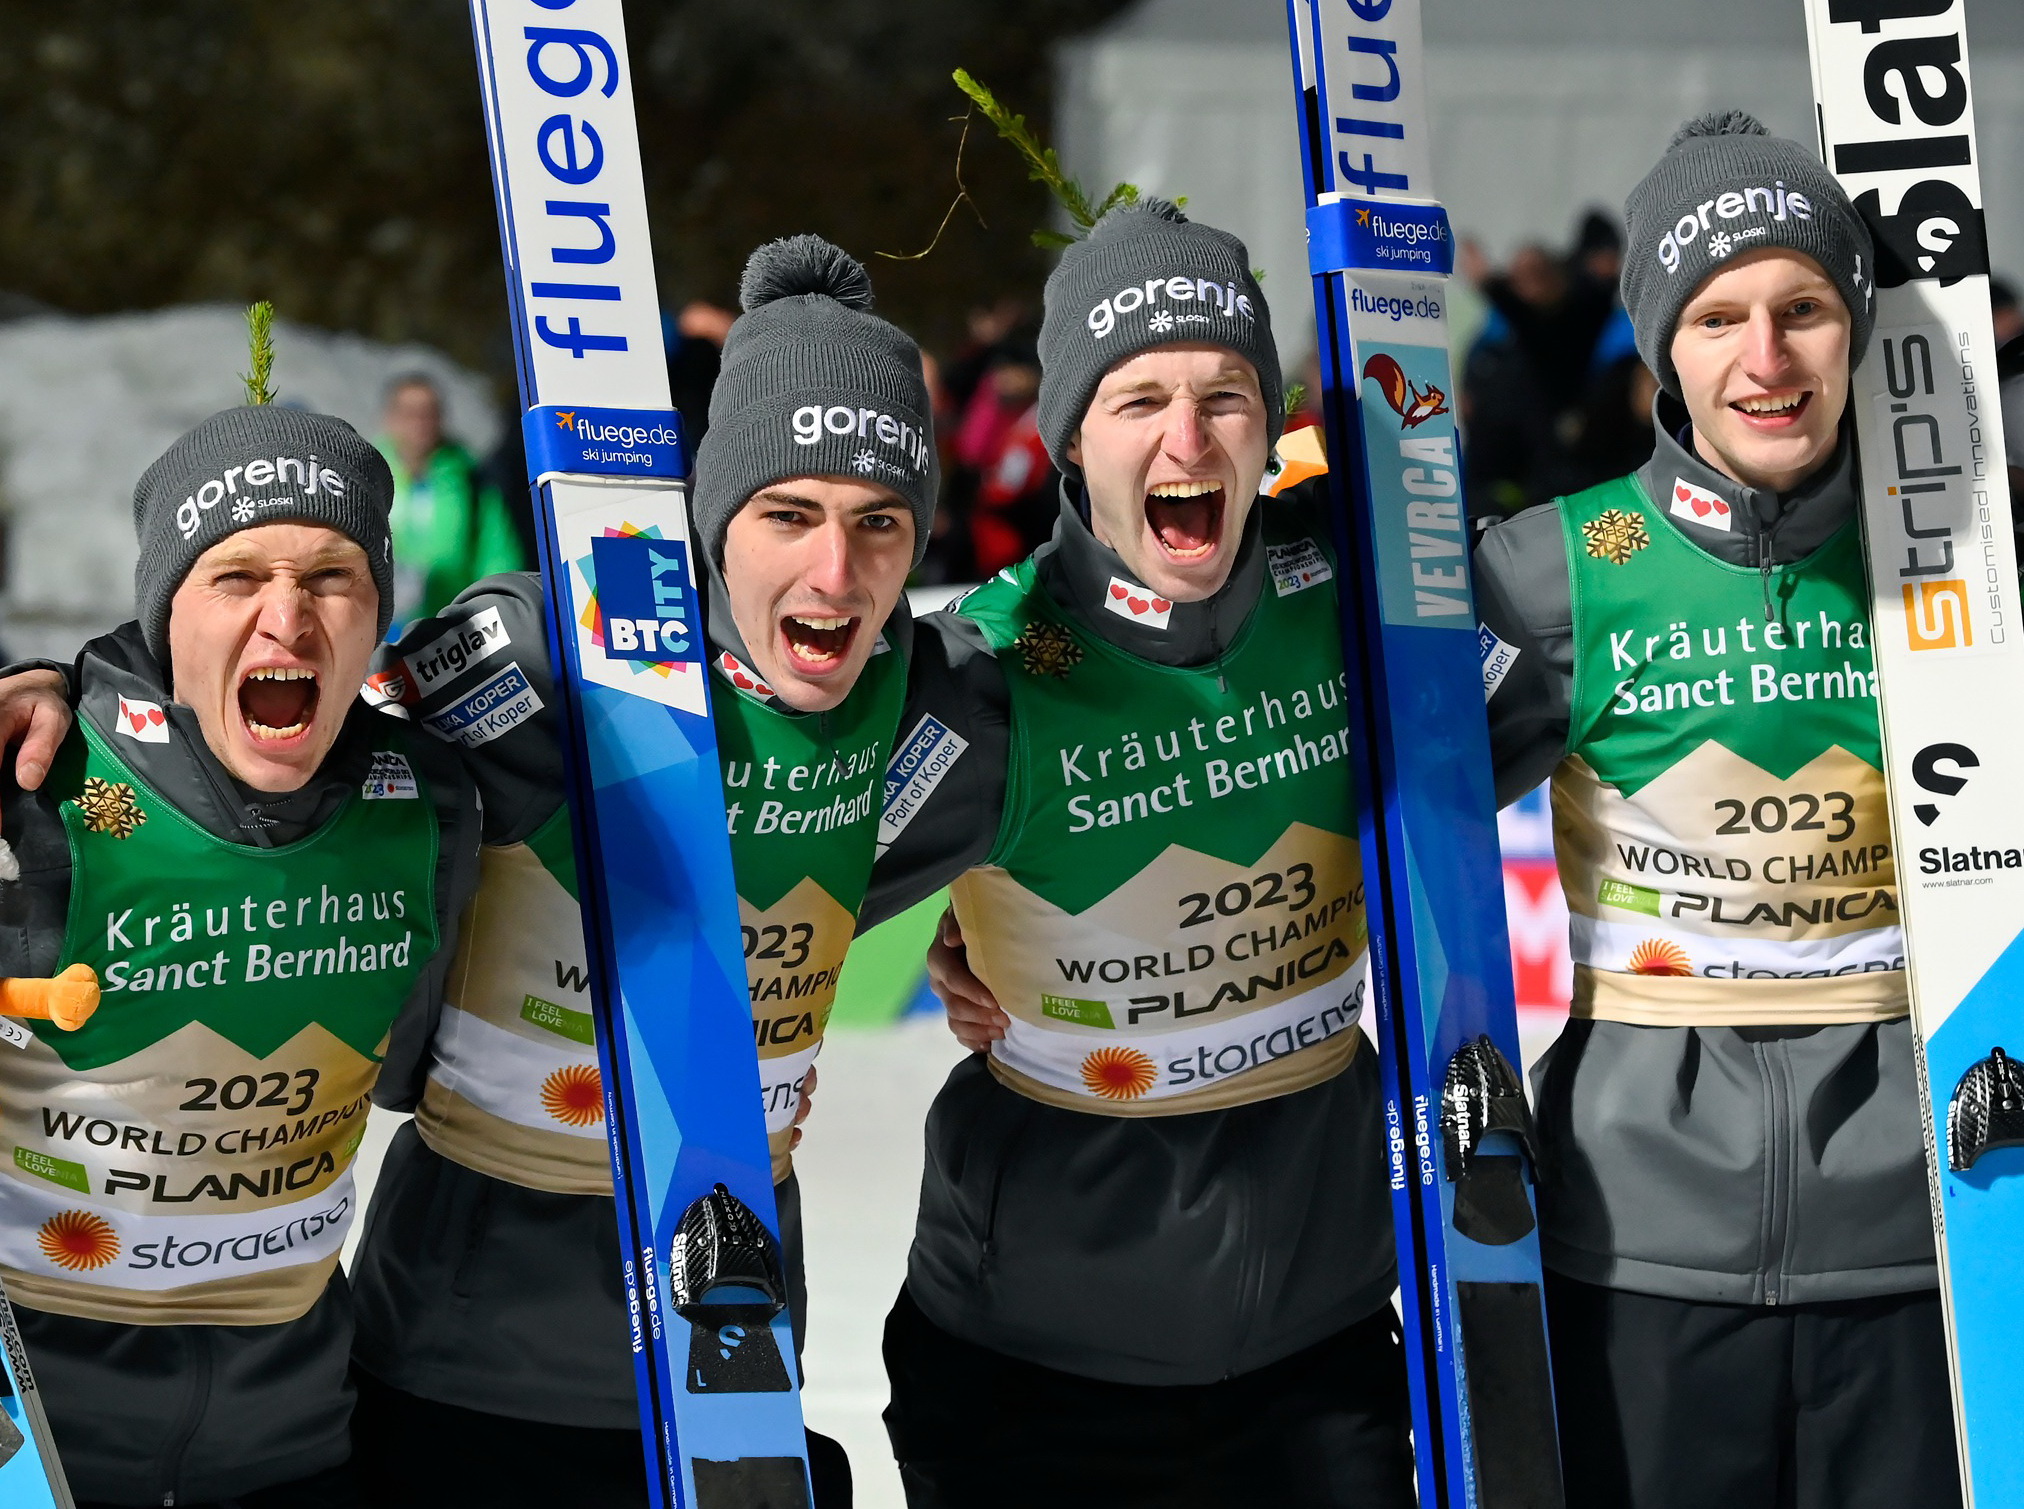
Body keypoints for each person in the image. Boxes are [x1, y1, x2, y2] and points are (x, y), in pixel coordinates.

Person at [343, 235, 937, 1509]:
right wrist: (65, 701)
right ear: (713, 518)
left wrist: (987, 939)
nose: (835, 572)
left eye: (878, 522)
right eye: (788, 514)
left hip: (721, 1358)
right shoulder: (542, 654)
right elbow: (268, 761)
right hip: (462, 1360)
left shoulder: (927, 699)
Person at [865, 200, 1412, 1508]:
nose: (1188, 437)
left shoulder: (1352, 602)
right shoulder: (988, 674)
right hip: (1037, 1377)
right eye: (1138, 400)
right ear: (1068, 438)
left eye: (1226, 396)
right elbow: (759, 878)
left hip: (1323, 1353)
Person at [1474, 112, 1958, 1508]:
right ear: (1660, 347)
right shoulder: (1554, 569)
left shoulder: (1961, 560)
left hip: (1927, 1231)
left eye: (1802, 309)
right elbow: (1361, 815)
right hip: (1636, 1237)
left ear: (1853, 327)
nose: (1766, 359)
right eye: (1716, 317)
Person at [0, 401, 482, 1507]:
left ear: (378, 615)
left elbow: (409, 1070)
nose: (288, 621)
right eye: (236, 578)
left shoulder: (428, 805)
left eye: (331, 579)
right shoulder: (37, 784)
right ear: (166, 615)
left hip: (295, 1442)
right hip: (42, 1453)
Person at [377, 374, 525, 632]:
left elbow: (499, 559)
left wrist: (487, 619)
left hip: (453, 633)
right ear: (390, 418)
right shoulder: (369, 476)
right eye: (409, 413)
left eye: (428, 413)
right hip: (379, 634)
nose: (419, 422)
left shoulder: (471, 480)